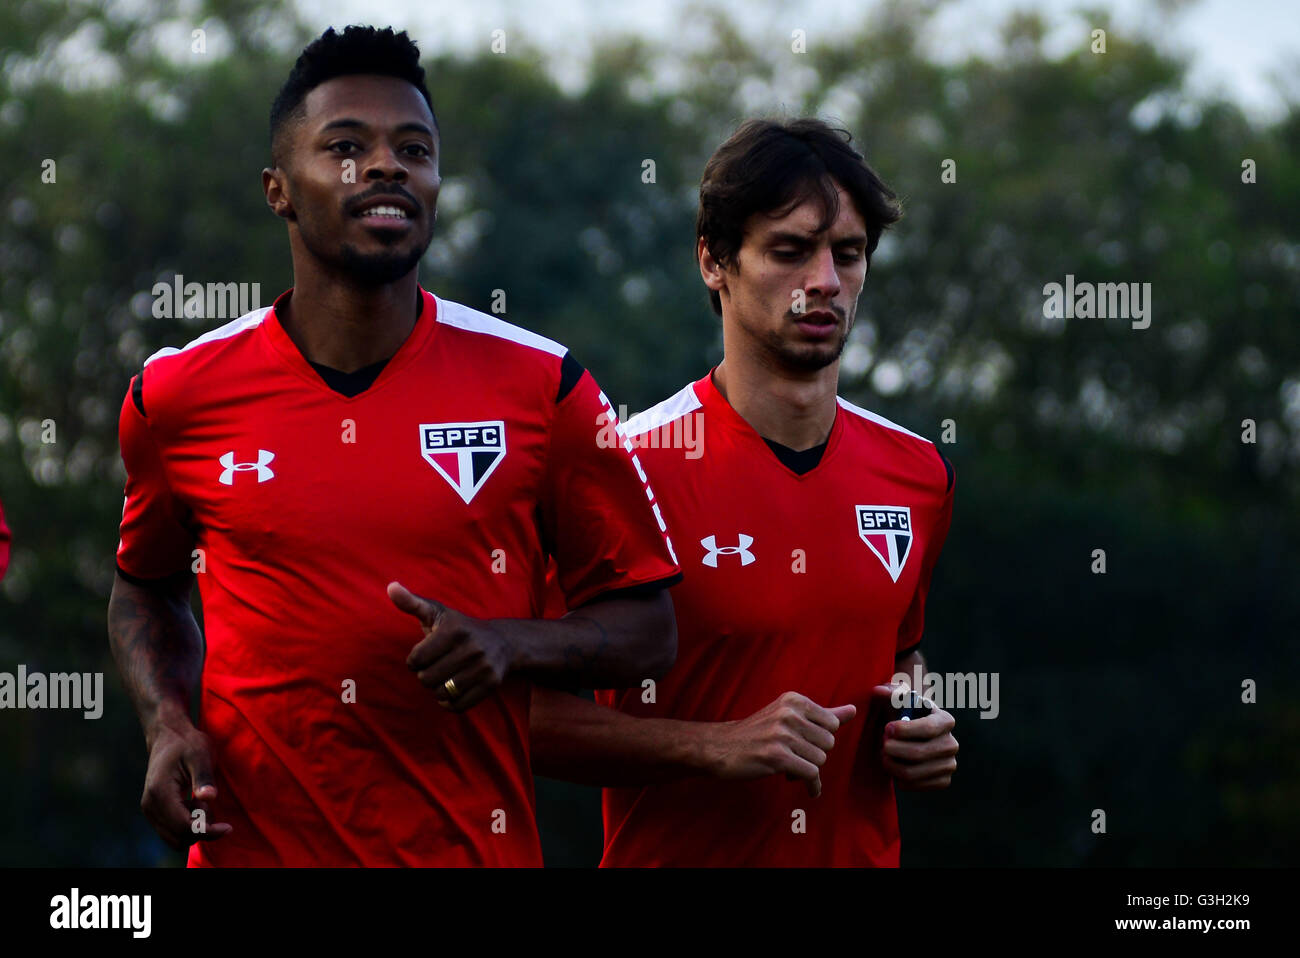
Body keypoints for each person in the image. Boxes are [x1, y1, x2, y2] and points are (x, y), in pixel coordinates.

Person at [107, 25, 679, 867]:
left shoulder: (544, 387)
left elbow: (649, 628)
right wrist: (168, 724)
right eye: (347, 146)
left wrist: (508, 643)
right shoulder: (177, 394)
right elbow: (144, 590)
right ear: (278, 190)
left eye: (415, 149)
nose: (387, 166)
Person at [532, 118, 958, 866]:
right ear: (713, 261)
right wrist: (712, 746)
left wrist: (918, 722)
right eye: (789, 251)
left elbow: (899, 656)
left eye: (848, 254)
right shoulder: (627, 466)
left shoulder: (918, 471)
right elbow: (523, 716)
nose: (824, 281)